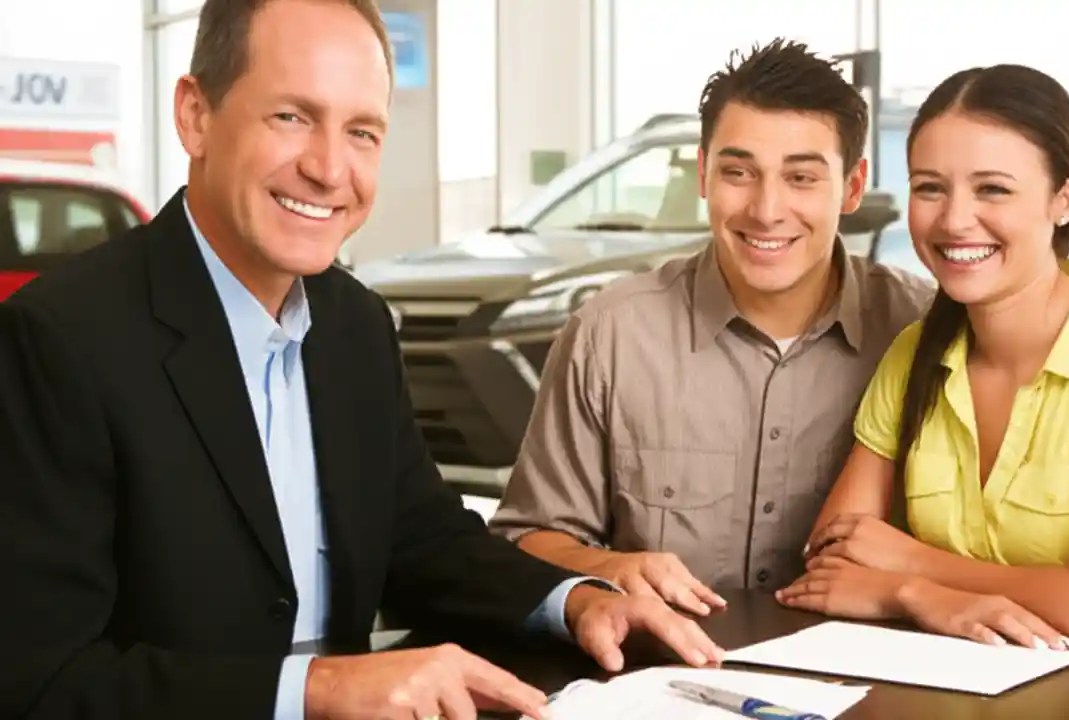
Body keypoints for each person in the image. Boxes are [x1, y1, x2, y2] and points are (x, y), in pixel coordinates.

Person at [0, 1, 725, 718]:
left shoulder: (354, 324)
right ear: (195, 115)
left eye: (362, 132)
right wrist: (319, 689)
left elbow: (422, 540)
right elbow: (37, 679)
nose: (329, 168)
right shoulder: (59, 340)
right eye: (291, 116)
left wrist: (577, 603)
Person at [776, 64, 1069, 674]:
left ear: (1064, 199)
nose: (954, 219)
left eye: (992, 189)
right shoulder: (916, 354)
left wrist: (911, 570)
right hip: (979, 687)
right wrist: (920, 597)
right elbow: (833, 560)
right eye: (930, 188)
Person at [489, 39, 933, 616]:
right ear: (702, 173)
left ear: (851, 187)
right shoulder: (611, 336)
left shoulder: (921, 331)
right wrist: (610, 567)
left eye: (801, 178)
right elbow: (525, 539)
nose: (767, 209)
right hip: (659, 680)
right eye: (739, 172)